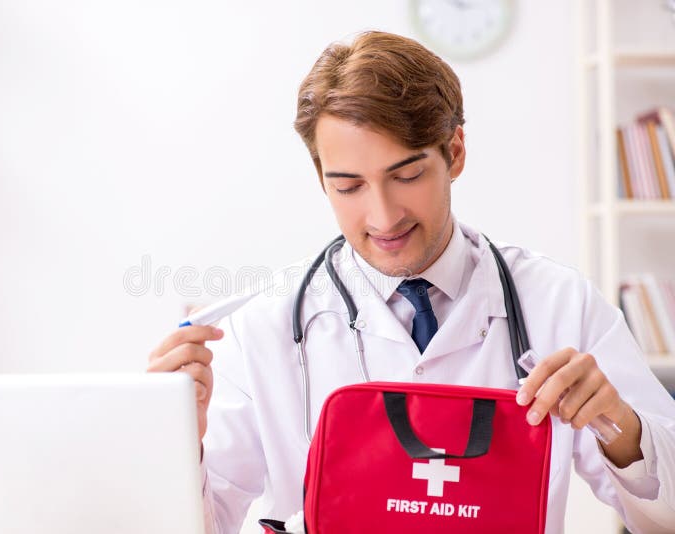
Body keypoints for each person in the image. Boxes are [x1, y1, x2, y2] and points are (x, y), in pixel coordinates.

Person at [147, 31, 675, 533]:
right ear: (322, 180)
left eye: (406, 176)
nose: (383, 217)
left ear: (455, 152)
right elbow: (198, 523)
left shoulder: (560, 303)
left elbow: (665, 518)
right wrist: (176, 446)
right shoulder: (261, 328)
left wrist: (620, 426)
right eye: (349, 187)